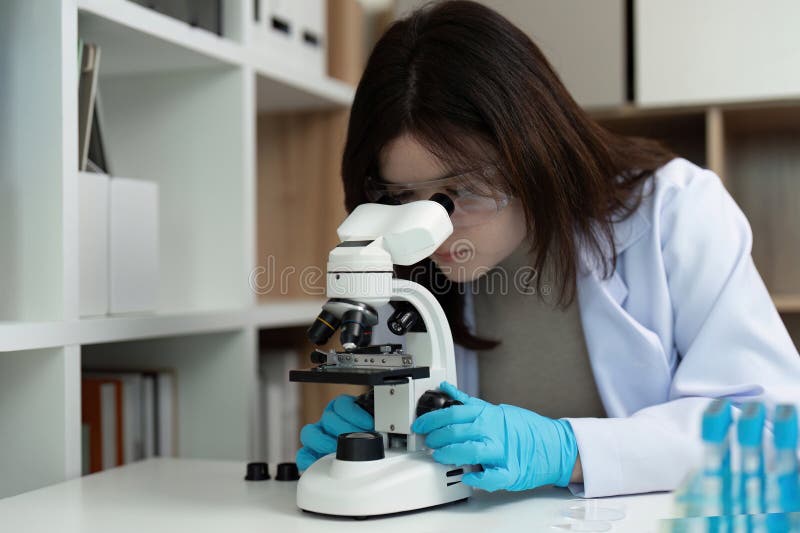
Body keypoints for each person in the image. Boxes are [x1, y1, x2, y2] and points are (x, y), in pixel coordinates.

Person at [295, 0, 800, 497]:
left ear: (531, 152)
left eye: (461, 192)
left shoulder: (675, 210)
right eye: (402, 197)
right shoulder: (407, 264)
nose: (434, 232)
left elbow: (774, 431)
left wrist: (567, 449)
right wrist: (379, 435)